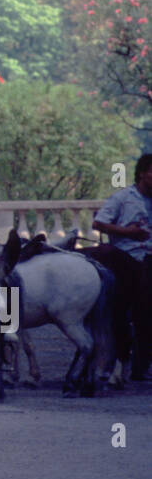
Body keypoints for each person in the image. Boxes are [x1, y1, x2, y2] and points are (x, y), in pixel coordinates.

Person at [92, 153, 152, 381]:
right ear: (143, 173)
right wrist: (129, 233)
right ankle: (128, 361)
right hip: (128, 258)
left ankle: (142, 362)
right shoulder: (123, 198)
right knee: (135, 307)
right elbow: (98, 222)